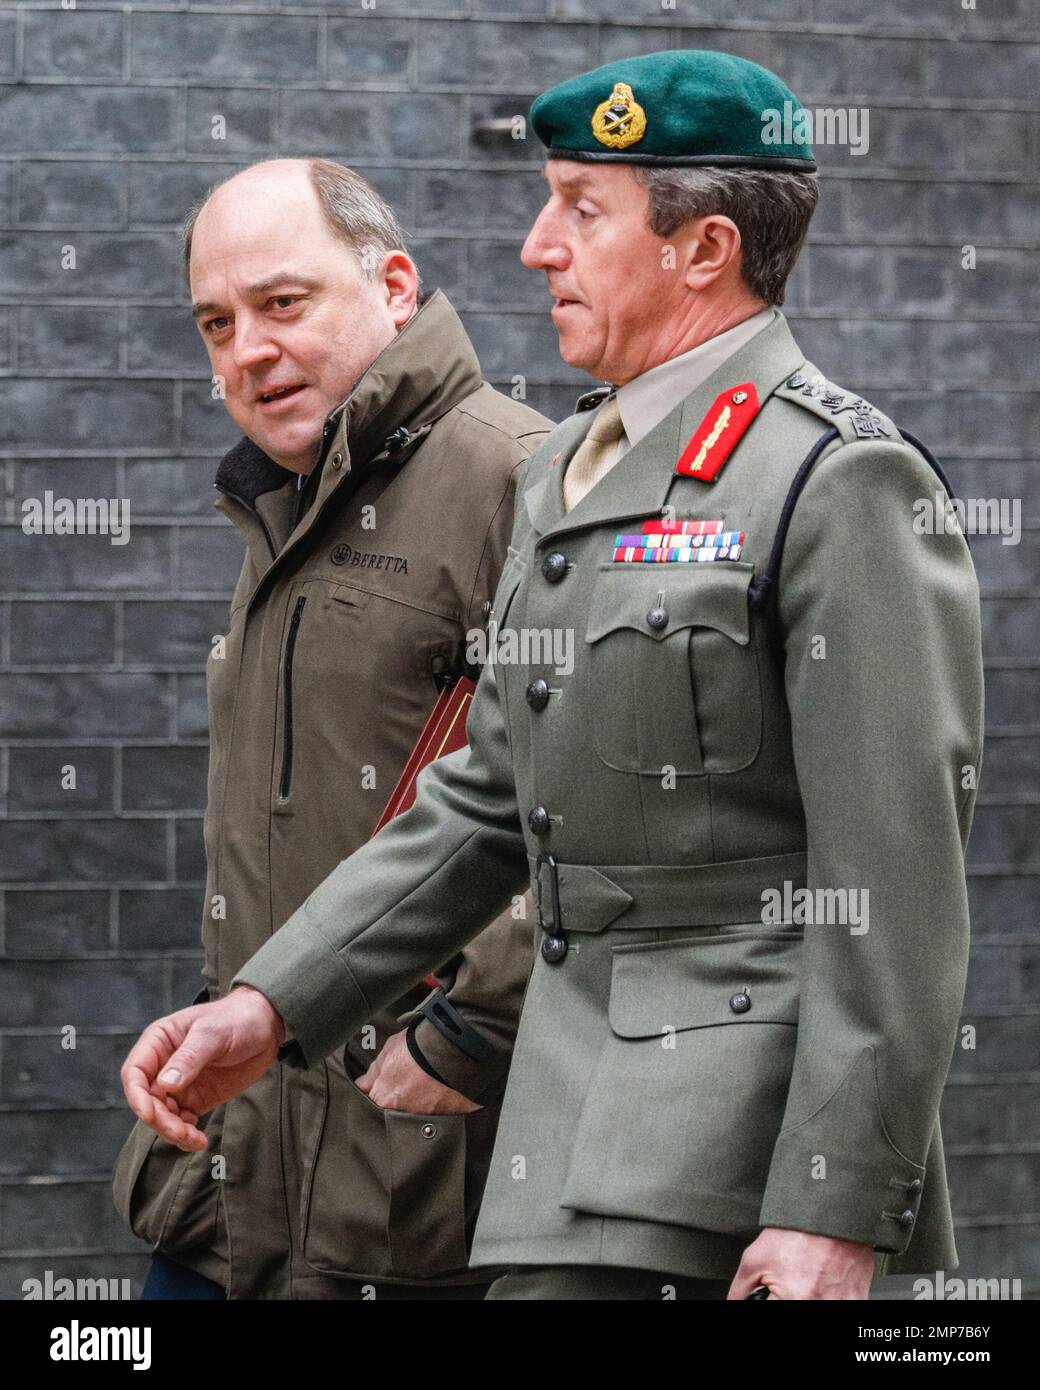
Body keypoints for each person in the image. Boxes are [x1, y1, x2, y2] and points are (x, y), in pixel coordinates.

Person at [121, 54, 984, 1301]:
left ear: (703, 250)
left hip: (727, 1178)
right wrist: (266, 1008)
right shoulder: (571, 467)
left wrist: (834, 1210)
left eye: (581, 208)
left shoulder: (836, 478)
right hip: (556, 1152)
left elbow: (892, 885)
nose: (535, 246)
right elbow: (483, 801)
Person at [111, 157, 550, 1299]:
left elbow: (586, 802)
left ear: (393, 285)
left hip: (401, 1196)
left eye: (282, 303)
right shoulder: (285, 499)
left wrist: (468, 1033)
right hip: (225, 1179)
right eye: (216, 321)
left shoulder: (521, 479)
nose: (245, 350)